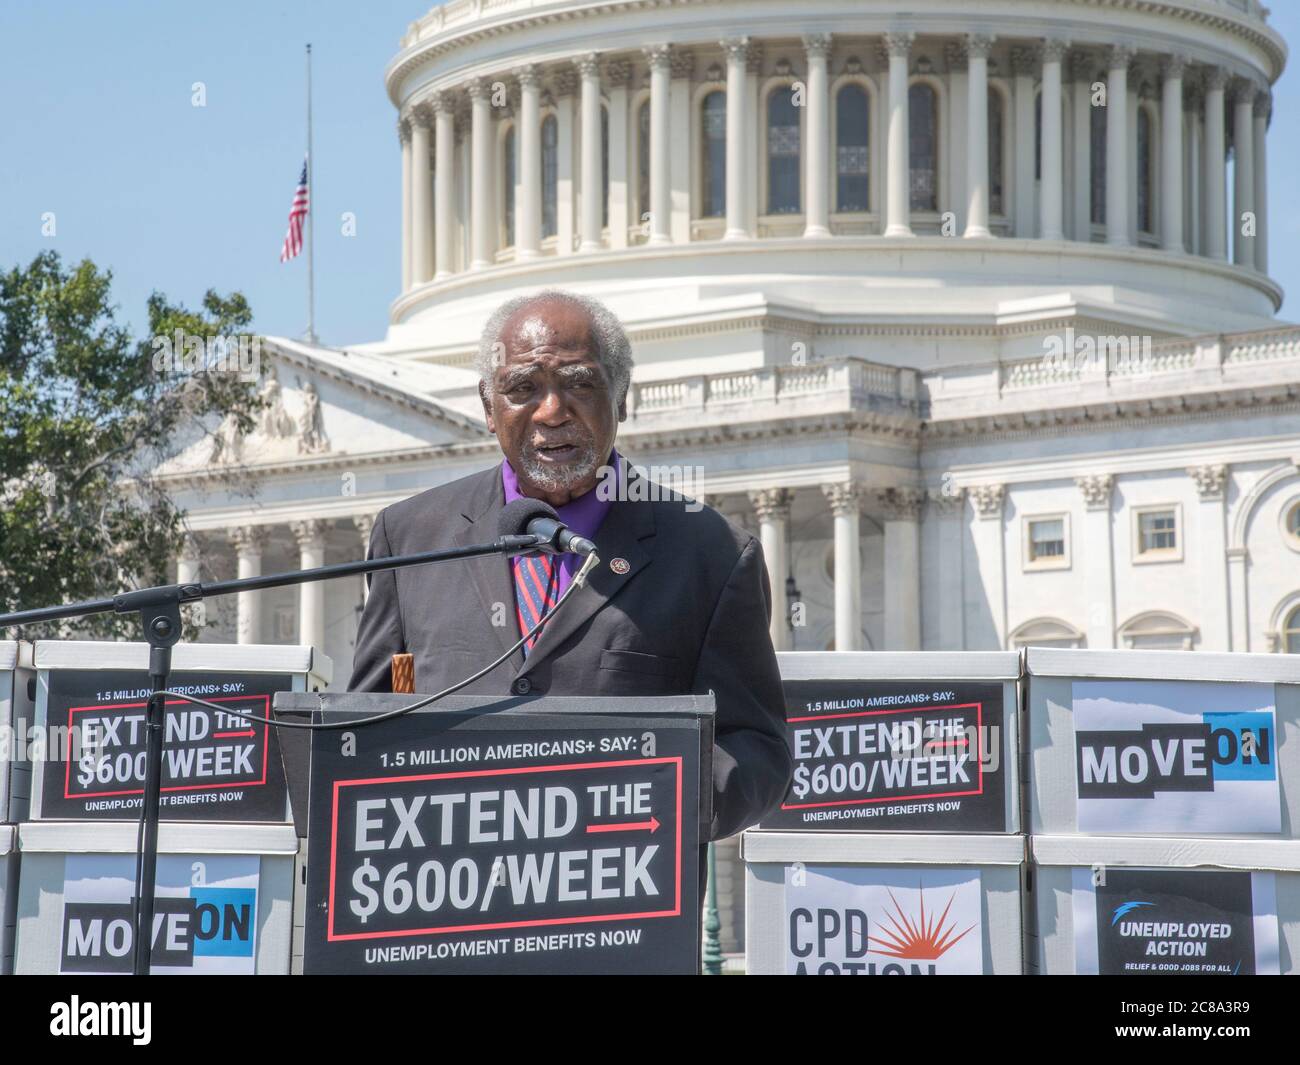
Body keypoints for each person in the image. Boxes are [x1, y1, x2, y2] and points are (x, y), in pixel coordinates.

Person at [349, 289, 792, 841]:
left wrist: (646, 809)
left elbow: (755, 749)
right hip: (444, 892)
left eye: (580, 384)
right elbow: (384, 698)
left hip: (617, 899)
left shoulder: (710, 552)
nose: (553, 412)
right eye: (523, 389)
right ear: (489, 408)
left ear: (622, 397)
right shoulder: (412, 536)